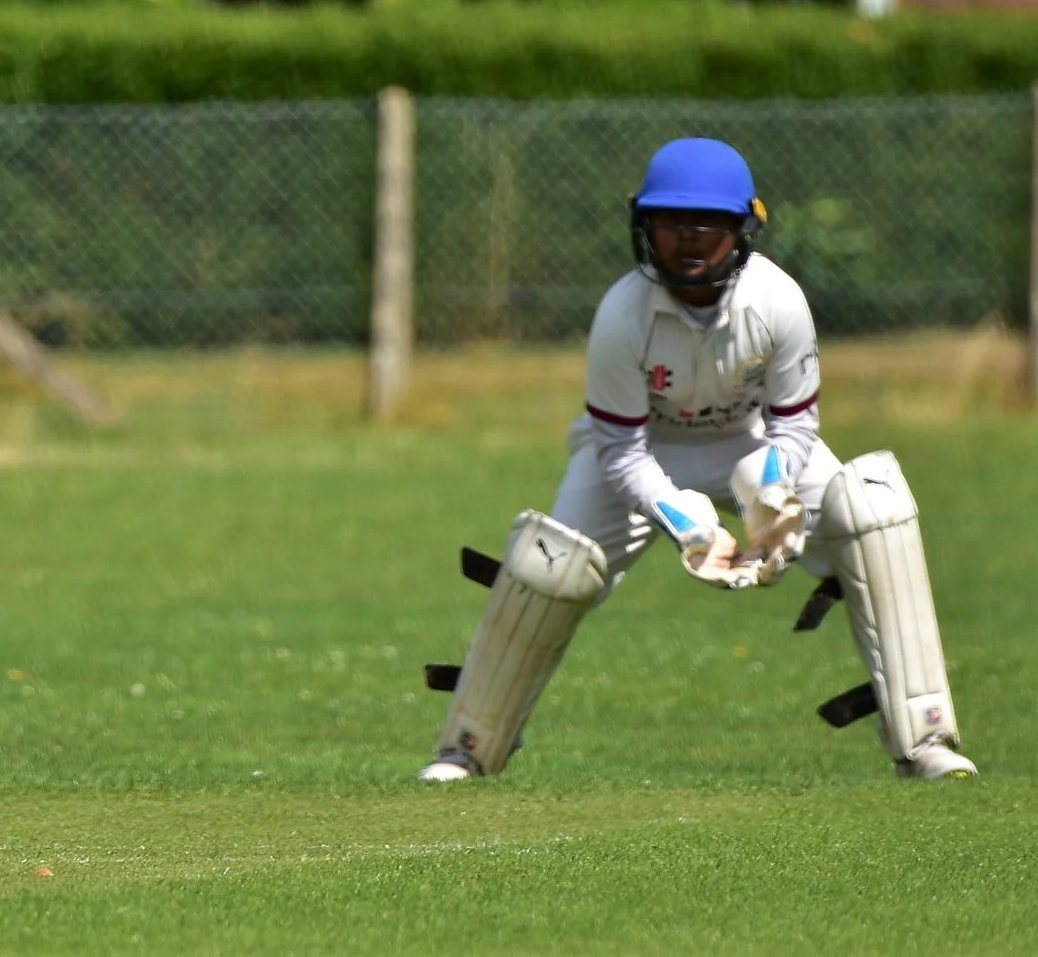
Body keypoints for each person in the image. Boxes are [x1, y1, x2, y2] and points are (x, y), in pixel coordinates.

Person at [416, 137, 977, 784]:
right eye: (670, 224)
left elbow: (795, 424)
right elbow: (621, 448)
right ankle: (469, 745)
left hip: (753, 442)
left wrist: (772, 493)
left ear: (742, 231)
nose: (687, 241)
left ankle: (925, 735)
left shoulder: (779, 301)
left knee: (873, 504)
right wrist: (679, 517)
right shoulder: (622, 315)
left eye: (706, 226)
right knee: (547, 563)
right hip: (640, 452)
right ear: (643, 228)